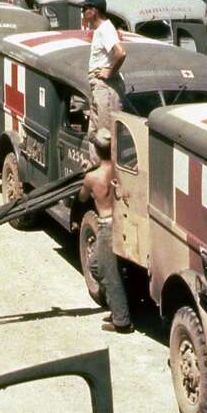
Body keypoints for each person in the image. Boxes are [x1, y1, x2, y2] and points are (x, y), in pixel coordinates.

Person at [77, 130, 131, 333]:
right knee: (97, 265)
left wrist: (85, 176)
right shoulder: (120, 170)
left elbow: (82, 198)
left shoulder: (92, 178)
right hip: (120, 222)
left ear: (96, 151)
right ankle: (118, 306)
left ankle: (122, 321)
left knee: (108, 274)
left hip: (106, 226)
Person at [79, 0, 125, 160]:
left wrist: (109, 72)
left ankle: (104, 178)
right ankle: (95, 172)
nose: (83, 12)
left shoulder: (106, 29)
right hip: (98, 87)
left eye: (85, 9)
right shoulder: (100, 30)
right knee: (94, 134)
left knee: (104, 137)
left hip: (105, 87)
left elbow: (120, 53)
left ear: (94, 10)